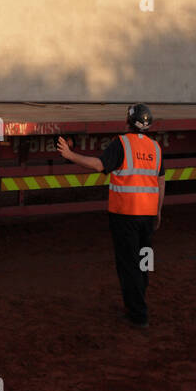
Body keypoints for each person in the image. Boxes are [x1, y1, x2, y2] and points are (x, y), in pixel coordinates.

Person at [56, 103, 164, 330]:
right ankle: (139, 302)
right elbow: (160, 180)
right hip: (147, 215)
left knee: (129, 264)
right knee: (144, 261)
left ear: (127, 122)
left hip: (126, 215)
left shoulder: (122, 143)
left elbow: (98, 165)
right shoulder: (155, 148)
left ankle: (138, 314)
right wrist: (159, 210)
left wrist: (70, 155)